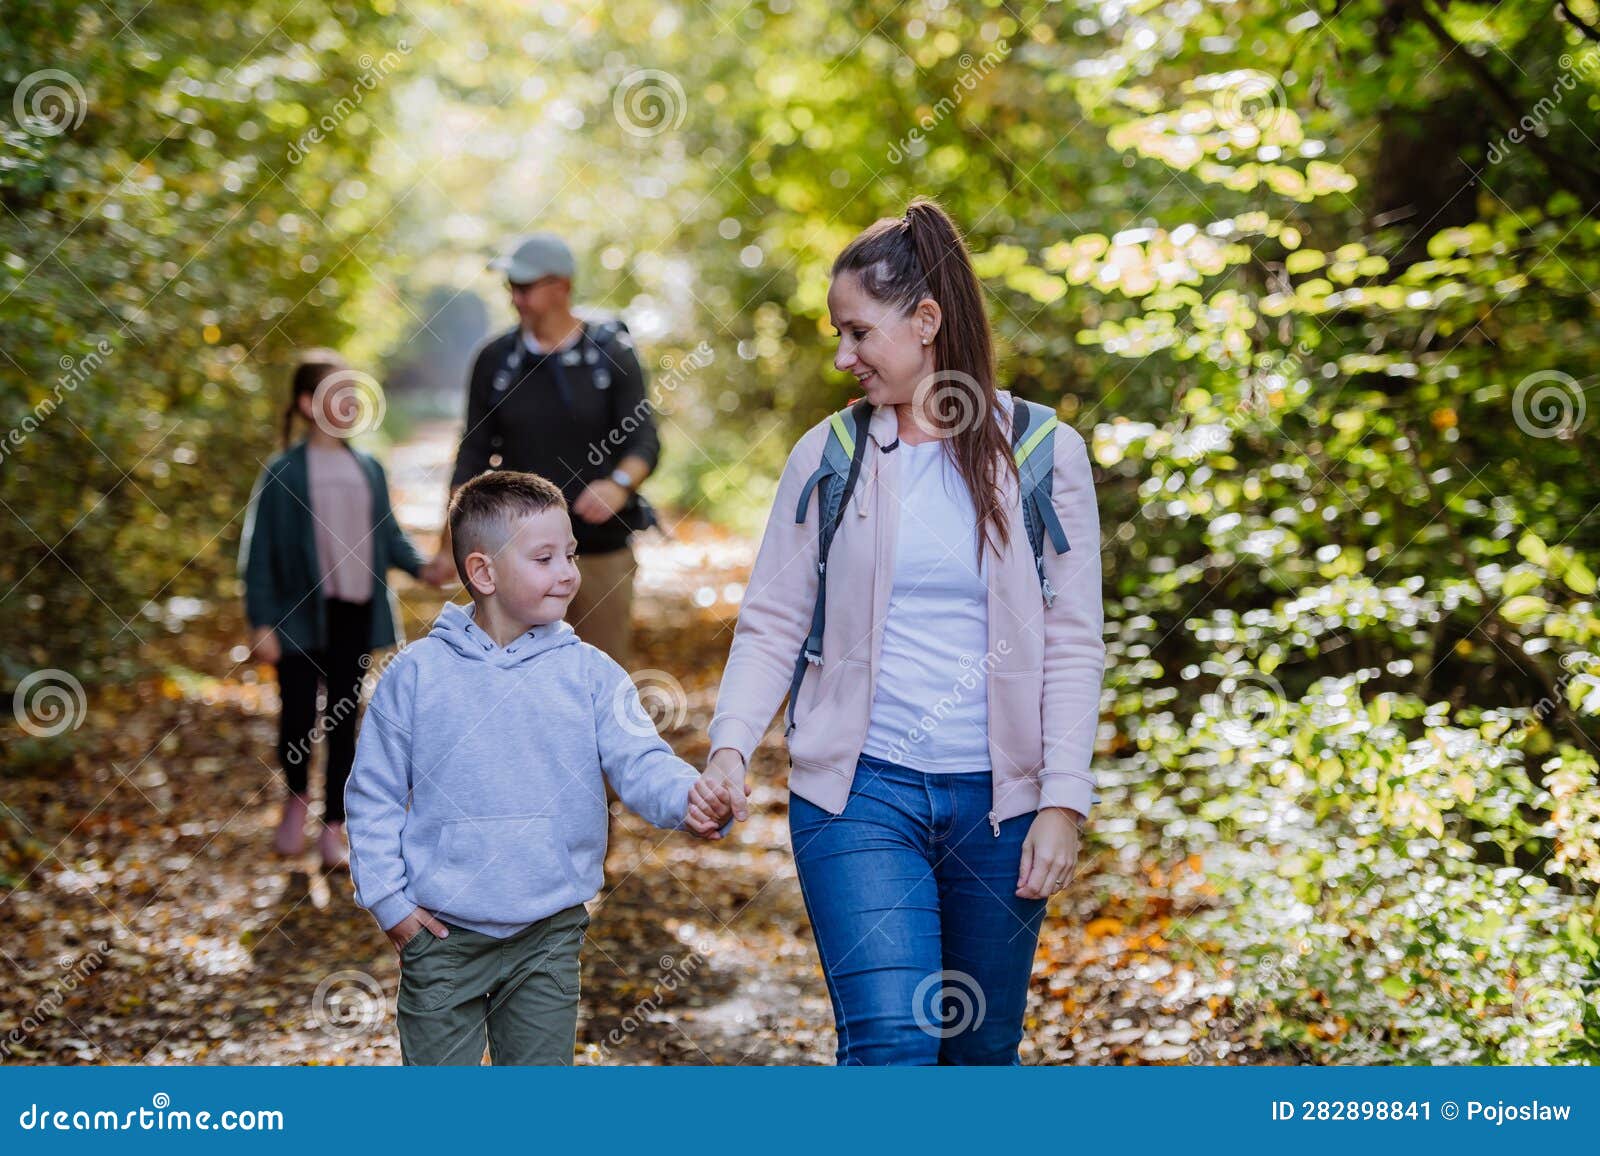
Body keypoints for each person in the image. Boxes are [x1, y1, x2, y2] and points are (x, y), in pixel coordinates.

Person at [698, 199, 1107, 1064]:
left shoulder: (1041, 452)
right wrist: (731, 746)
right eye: (836, 334)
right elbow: (773, 619)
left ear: (926, 322)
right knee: (893, 1039)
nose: (843, 356)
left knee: (978, 1054)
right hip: (859, 794)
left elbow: (1074, 640)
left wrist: (1063, 800)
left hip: (1000, 808)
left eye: (857, 333)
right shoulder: (829, 455)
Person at [346, 470, 731, 1065]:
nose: (569, 573)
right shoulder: (416, 675)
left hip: (549, 932)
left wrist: (689, 799)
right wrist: (389, 903)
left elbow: (641, 760)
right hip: (442, 936)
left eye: (571, 554)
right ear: (483, 572)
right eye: (545, 557)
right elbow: (371, 794)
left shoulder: (590, 673)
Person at [239, 351, 442, 871]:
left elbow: (389, 537)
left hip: (355, 613)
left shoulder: (368, 468)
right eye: (336, 393)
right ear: (308, 404)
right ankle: (295, 801)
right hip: (299, 616)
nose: (349, 402)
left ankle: (334, 823)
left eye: (353, 393)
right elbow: (257, 553)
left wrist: (425, 569)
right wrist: (261, 621)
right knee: (297, 717)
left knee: (345, 720)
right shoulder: (284, 471)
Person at [422, 234, 660, 669]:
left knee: (597, 678)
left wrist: (619, 485)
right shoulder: (495, 361)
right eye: (510, 286)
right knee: (517, 678)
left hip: (600, 551)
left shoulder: (612, 354)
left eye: (525, 287)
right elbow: (471, 456)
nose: (516, 298)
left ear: (561, 287)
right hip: (516, 556)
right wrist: (447, 545)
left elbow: (644, 440)